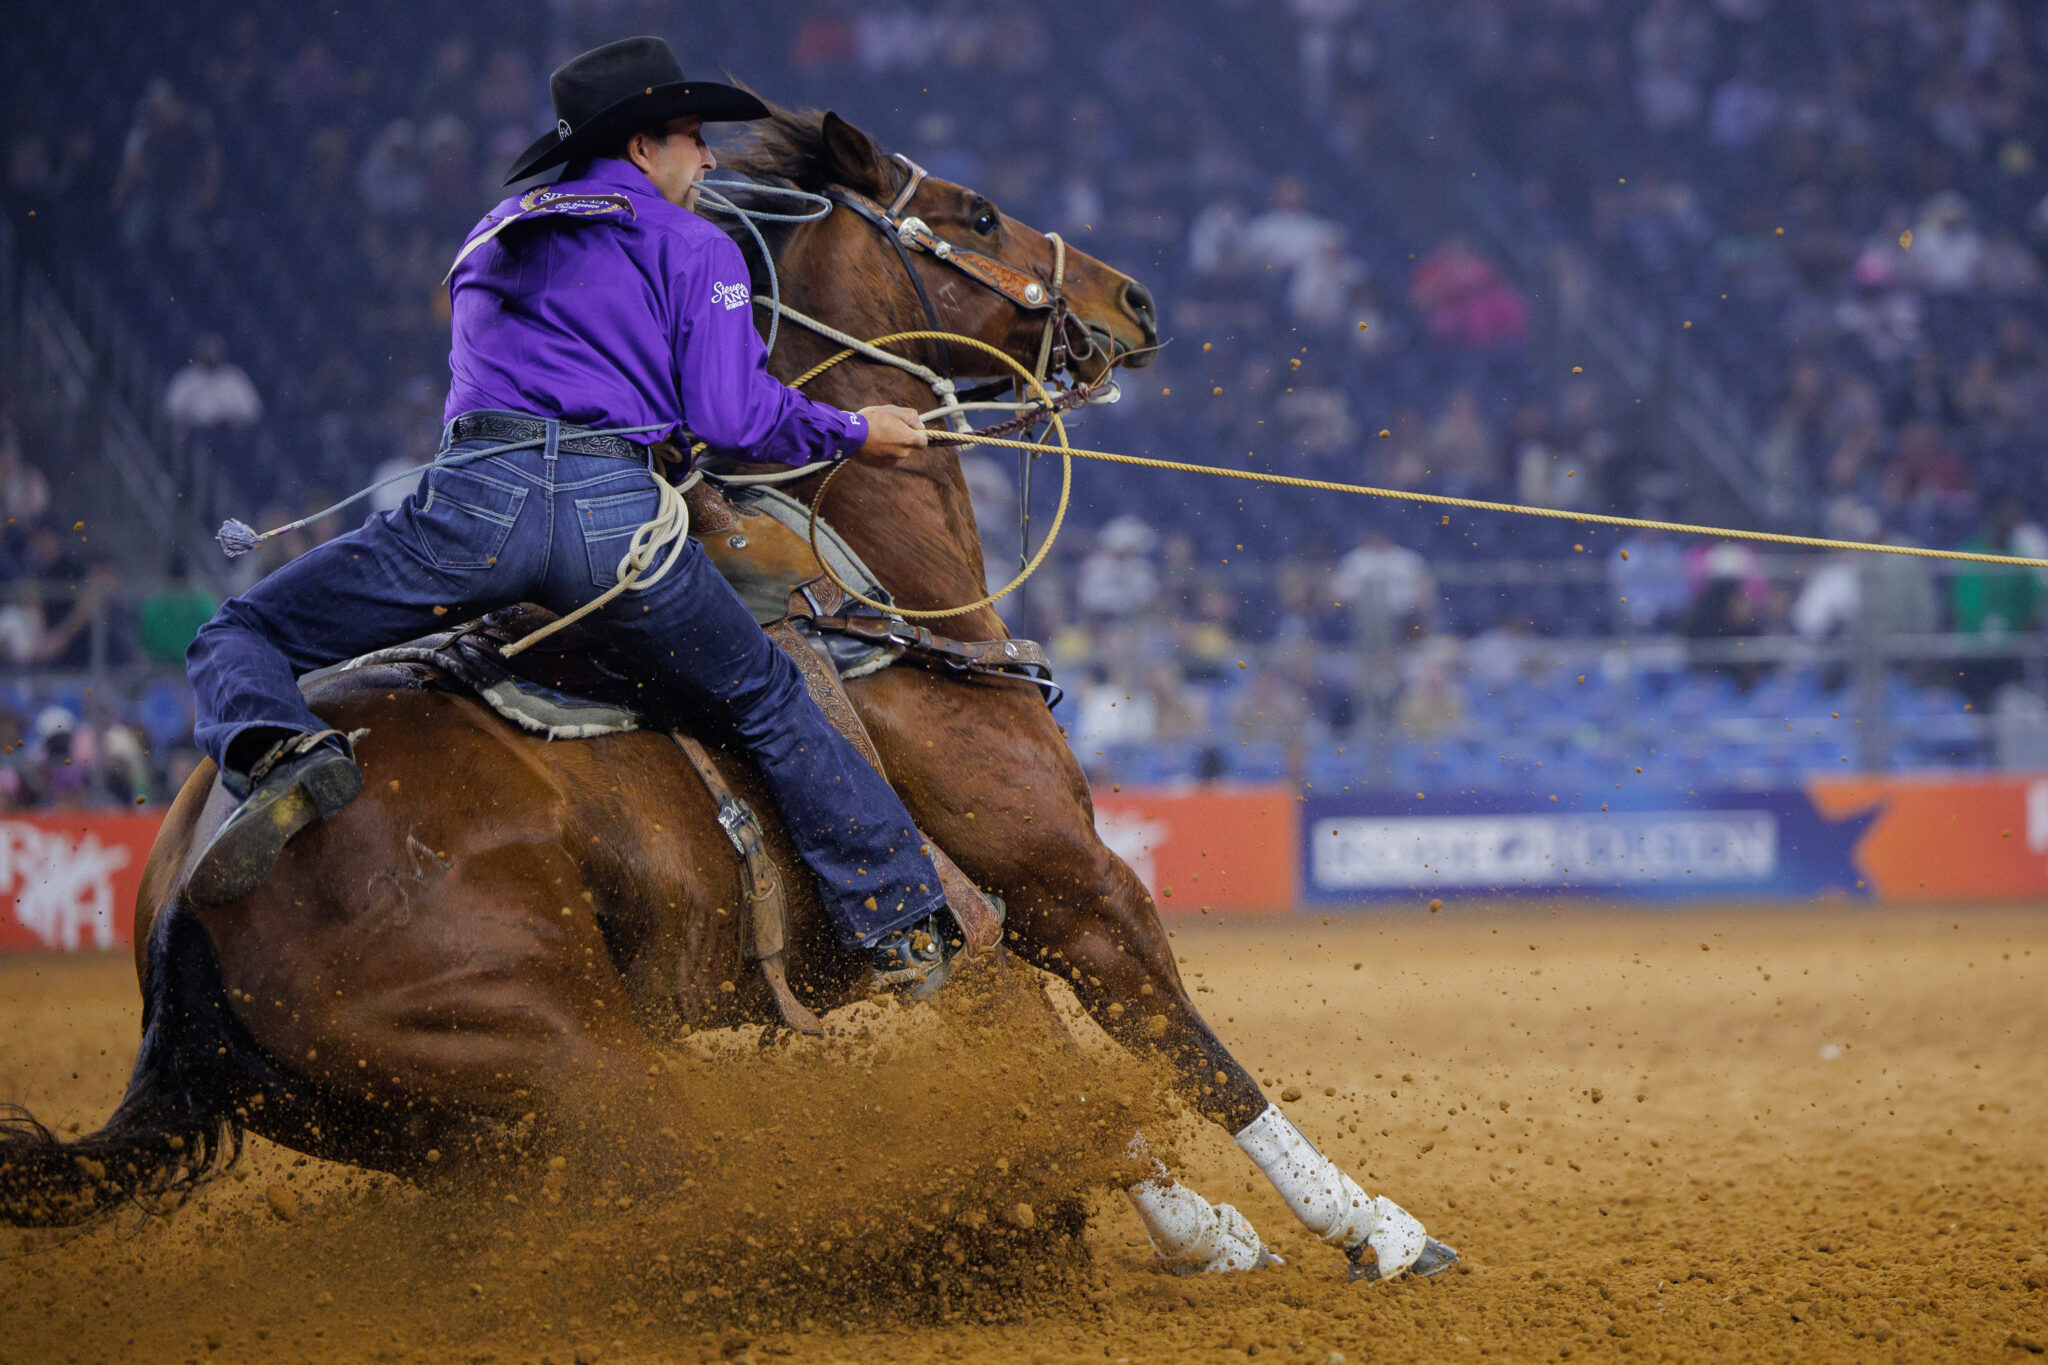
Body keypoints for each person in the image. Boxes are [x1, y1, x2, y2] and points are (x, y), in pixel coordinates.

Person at [184, 38, 957, 987]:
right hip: (614, 527)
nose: (708, 160)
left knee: (238, 628)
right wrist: (852, 428)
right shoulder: (699, 245)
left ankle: (286, 754)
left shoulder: (489, 232)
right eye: (692, 139)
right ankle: (900, 917)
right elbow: (731, 415)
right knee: (763, 692)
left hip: (473, 510)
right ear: (642, 148)